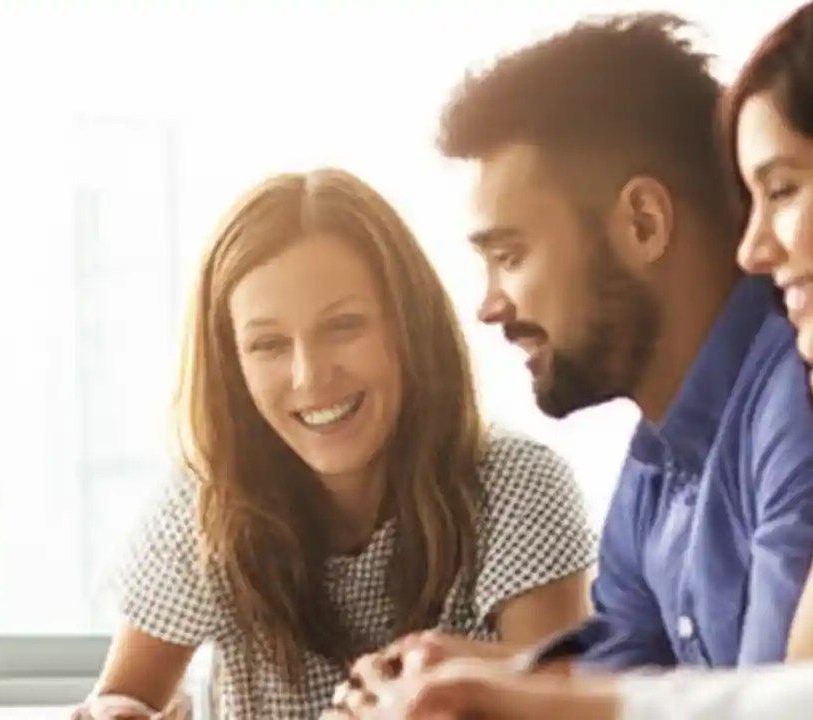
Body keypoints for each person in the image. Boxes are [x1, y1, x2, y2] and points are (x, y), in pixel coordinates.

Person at [322, 4, 813, 720]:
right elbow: (628, 682)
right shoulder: (654, 468)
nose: (489, 305)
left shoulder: (792, 408)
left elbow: (774, 700)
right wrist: (467, 675)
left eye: (510, 256)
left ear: (643, 223)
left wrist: (496, 690)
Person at [75, 167, 596, 718]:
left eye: (344, 326)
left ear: (408, 329)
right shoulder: (206, 506)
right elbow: (122, 694)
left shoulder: (518, 485)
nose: (309, 376)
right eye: (269, 344)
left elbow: (557, 706)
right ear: (234, 368)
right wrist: (118, 713)